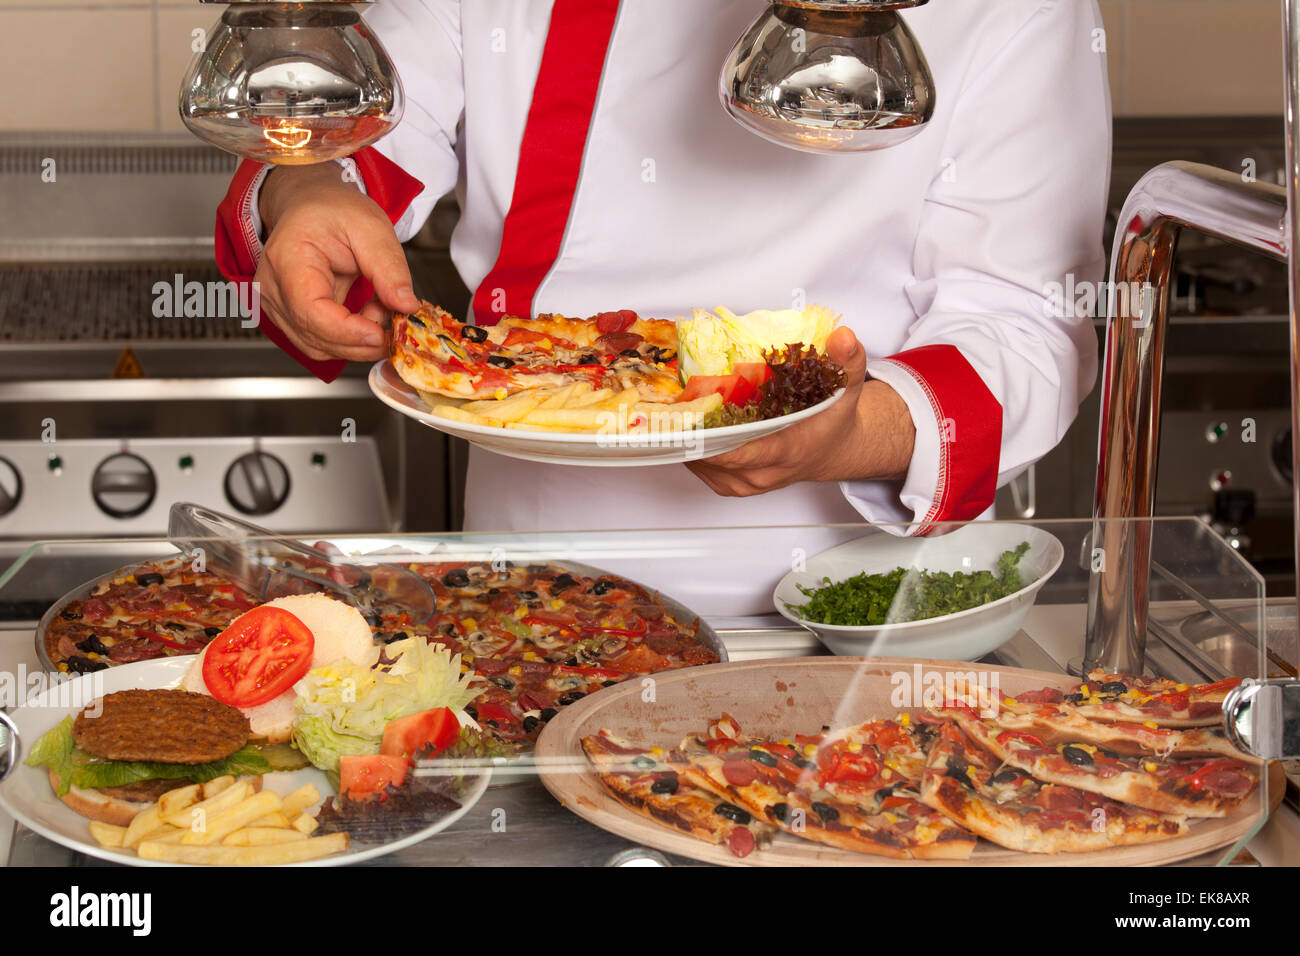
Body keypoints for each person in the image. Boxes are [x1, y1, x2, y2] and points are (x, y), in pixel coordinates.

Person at [215, 0, 1110, 609]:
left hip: (863, 609)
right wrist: (308, 192)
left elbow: (1027, 320)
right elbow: (354, 118)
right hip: (535, 569)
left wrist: (859, 427)